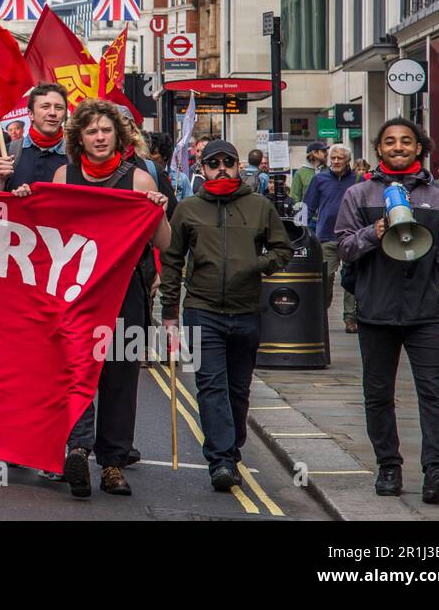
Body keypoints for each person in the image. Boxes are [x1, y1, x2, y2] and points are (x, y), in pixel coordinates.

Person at [335, 119, 439, 504]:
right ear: (379, 149)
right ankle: (388, 465)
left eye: (406, 141)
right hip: (375, 311)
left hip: (426, 314)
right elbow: (342, 247)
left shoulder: (438, 199)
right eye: (390, 141)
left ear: (419, 148)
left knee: (433, 391)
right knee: (378, 394)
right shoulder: (359, 195)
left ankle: (436, 469)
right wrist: (373, 233)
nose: (398, 147)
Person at [46, 99, 171, 498]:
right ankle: (78, 449)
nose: (99, 137)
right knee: (76, 372)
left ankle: (113, 463)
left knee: (119, 377)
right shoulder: (64, 177)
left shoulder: (139, 181)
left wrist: (160, 213)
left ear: (118, 135)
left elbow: (165, 245)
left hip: (123, 295)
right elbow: (44, 234)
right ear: (79, 138)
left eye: (105, 130)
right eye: (91, 131)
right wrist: (29, 198)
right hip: (75, 295)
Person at [159, 140, 294, 492]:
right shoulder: (188, 209)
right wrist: (169, 314)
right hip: (203, 311)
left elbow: (283, 249)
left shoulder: (260, 206)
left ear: (238, 167)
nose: (221, 168)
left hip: (247, 311)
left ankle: (231, 449)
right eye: (213, 163)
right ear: (202, 169)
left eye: (228, 162)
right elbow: (172, 262)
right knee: (211, 386)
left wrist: (257, 264)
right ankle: (220, 460)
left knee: (237, 389)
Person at [303, 144, 360, 331]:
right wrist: (302, 231)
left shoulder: (357, 180)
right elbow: (308, 207)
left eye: (340, 158)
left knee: (351, 276)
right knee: (325, 276)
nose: (335, 161)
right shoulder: (320, 179)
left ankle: (350, 318)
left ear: (348, 160)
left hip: (352, 235)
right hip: (326, 235)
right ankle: (321, 310)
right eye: (333, 158)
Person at [0, 84, 70, 192]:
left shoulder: (75, 155)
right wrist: (0, 180)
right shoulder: (8, 153)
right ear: (31, 114)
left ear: (64, 115)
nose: (53, 113)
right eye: (45, 107)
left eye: (59, 108)